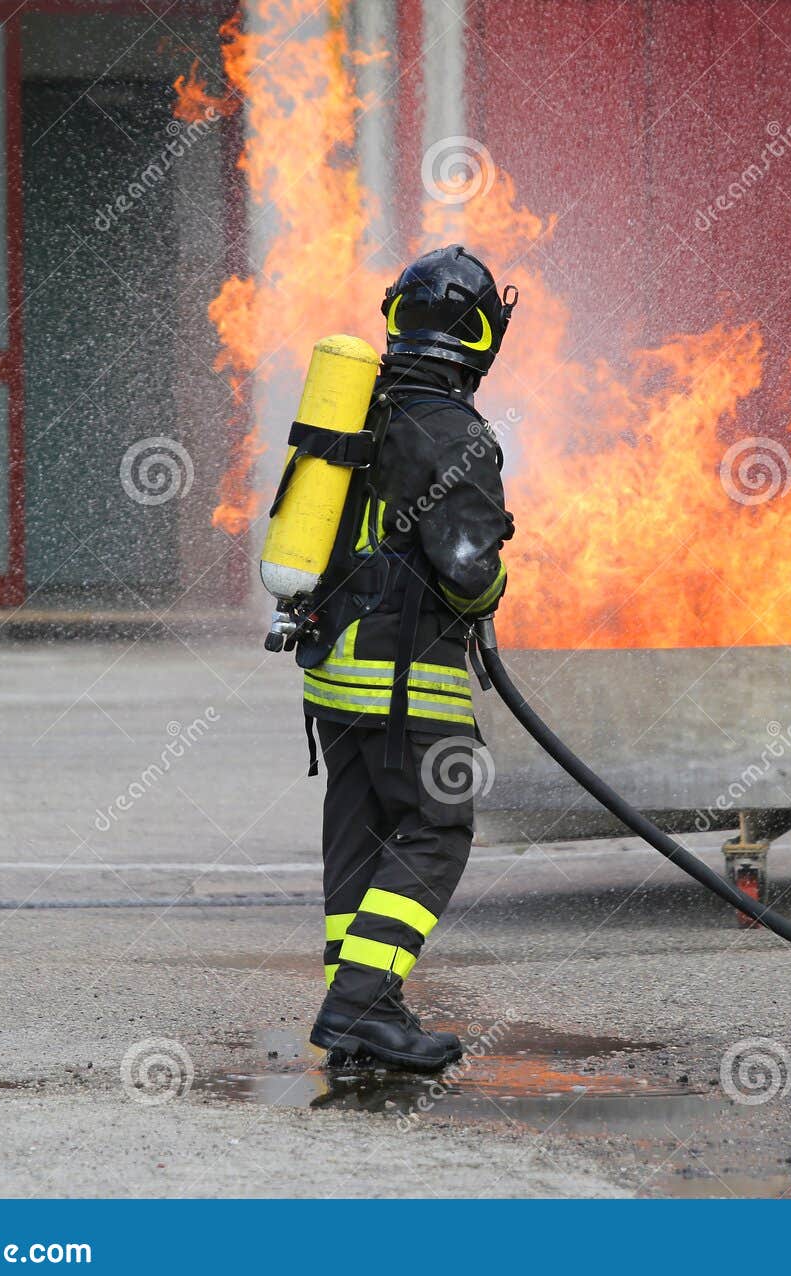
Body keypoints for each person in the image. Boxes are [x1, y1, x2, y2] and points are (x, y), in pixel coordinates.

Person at [299, 245, 515, 1072]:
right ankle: (358, 1007)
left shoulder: (358, 409)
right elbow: (466, 570)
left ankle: (366, 1008)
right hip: (407, 674)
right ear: (483, 336)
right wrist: (487, 590)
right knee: (437, 825)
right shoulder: (456, 432)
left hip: (332, 672)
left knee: (362, 836)